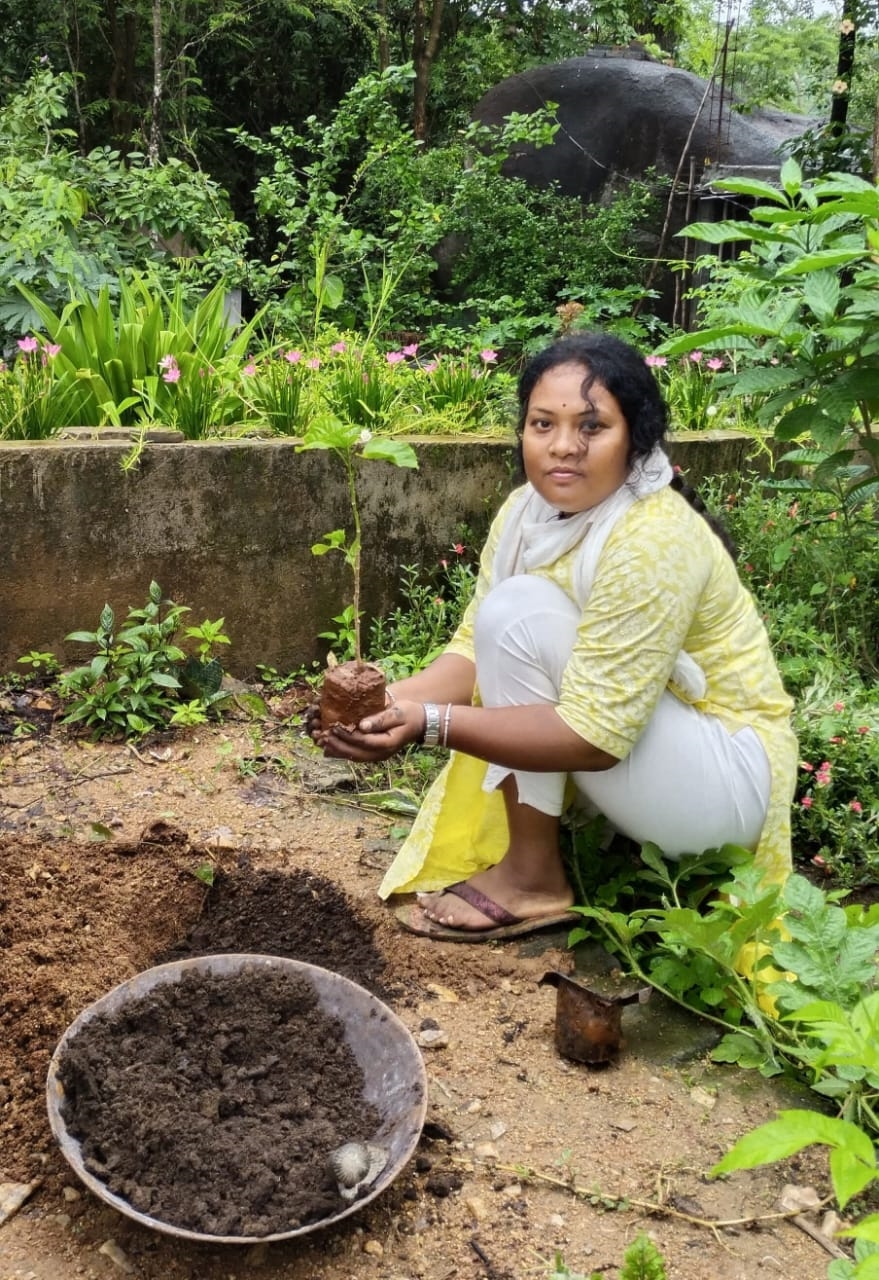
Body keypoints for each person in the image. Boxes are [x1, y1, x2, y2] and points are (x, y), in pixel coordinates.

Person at [311, 332, 798, 941]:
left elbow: (596, 737)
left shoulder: (653, 536)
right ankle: (544, 866)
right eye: (543, 424)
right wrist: (381, 707)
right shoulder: (526, 513)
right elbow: (474, 650)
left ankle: (531, 879)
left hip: (723, 788)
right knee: (511, 614)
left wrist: (428, 724)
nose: (563, 446)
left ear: (636, 439)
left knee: (518, 610)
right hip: (652, 753)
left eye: (592, 427)